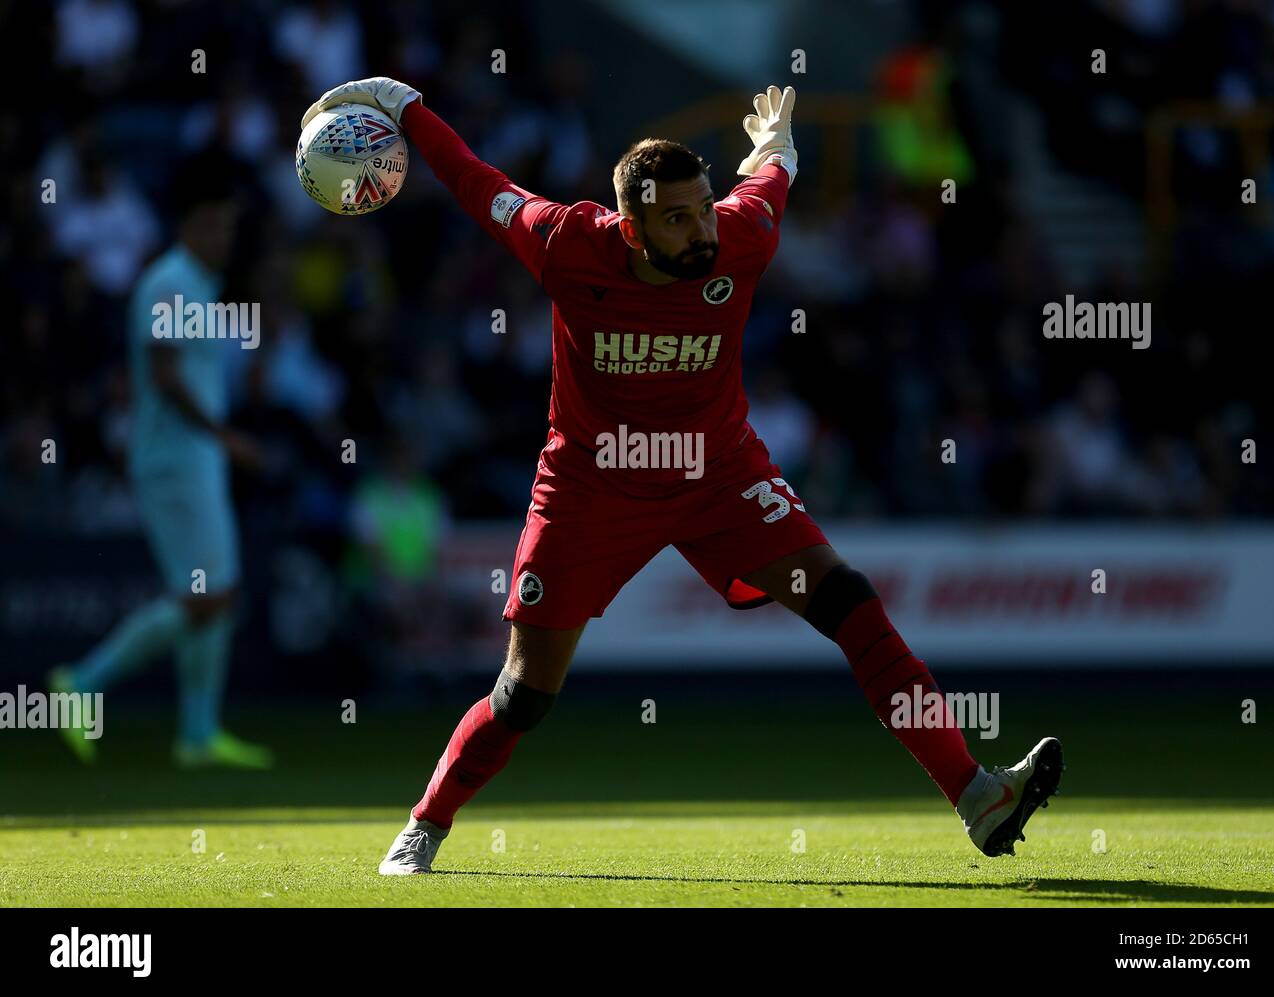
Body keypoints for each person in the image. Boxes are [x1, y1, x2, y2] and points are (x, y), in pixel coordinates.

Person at [296, 79, 1061, 873]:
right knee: (525, 693)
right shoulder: (565, 243)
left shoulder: (742, 236)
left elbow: (772, 174)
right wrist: (405, 103)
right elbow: (474, 178)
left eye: (704, 207)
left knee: (849, 600)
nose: (701, 229)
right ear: (630, 228)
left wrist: (777, 145)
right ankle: (426, 822)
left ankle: (976, 793)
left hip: (718, 473)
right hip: (591, 489)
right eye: (677, 218)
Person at [50, 158, 273, 769]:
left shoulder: (196, 284)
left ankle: (197, 735)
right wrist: (226, 438)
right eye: (220, 228)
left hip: (192, 458)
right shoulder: (171, 282)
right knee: (208, 596)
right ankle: (82, 684)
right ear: (195, 227)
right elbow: (166, 377)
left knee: (213, 596)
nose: (227, 240)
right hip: (175, 460)